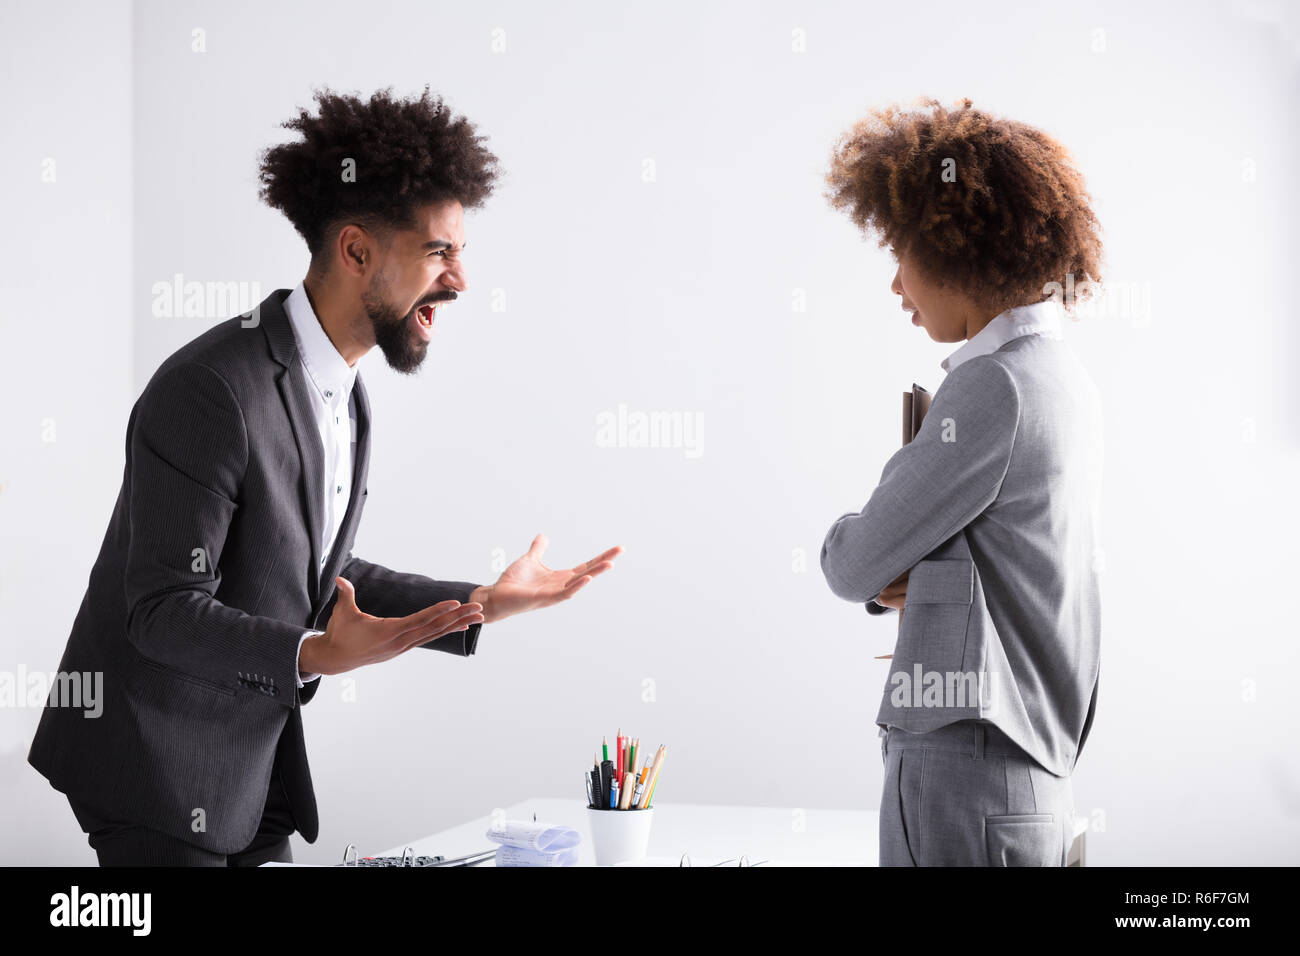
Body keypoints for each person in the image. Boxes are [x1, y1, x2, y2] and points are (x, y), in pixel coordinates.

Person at [27, 86, 622, 866]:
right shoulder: (210, 390)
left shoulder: (345, 392)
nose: (462, 280)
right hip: (154, 762)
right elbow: (162, 609)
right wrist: (314, 653)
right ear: (355, 251)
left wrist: (476, 604)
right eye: (440, 251)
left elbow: (315, 569)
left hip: (248, 770)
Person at [819, 97, 1105, 866]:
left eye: (902, 253)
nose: (896, 286)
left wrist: (874, 561)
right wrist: (910, 573)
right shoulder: (1059, 374)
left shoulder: (994, 389)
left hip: (966, 782)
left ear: (955, 249)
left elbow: (852, 562)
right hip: (1016, 781)